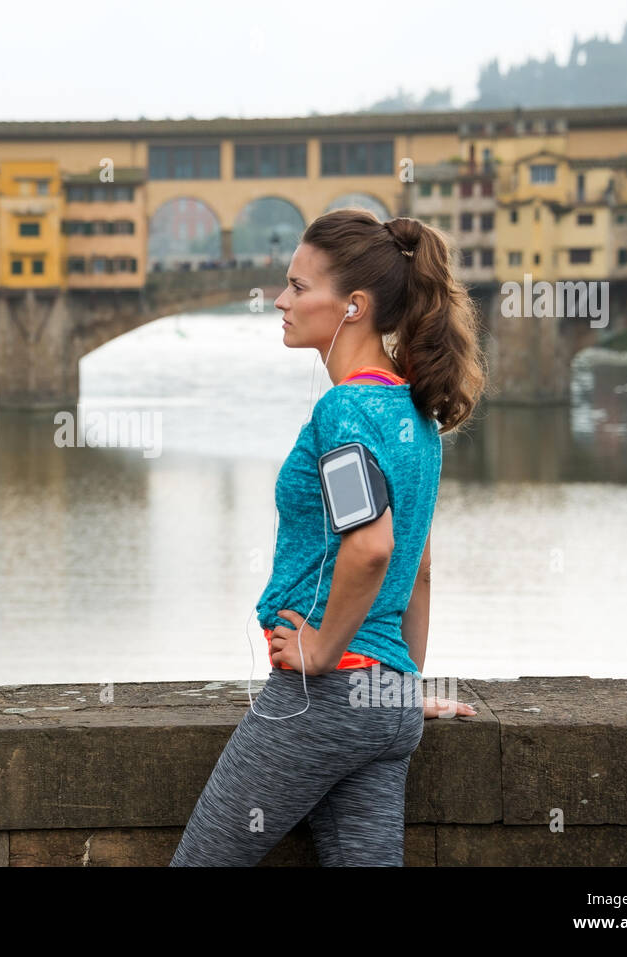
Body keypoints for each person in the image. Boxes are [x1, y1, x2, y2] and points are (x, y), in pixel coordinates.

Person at [169, 208, 486, 867]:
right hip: (383, 701)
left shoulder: (343, 410)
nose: (281, 300)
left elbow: (371, 546)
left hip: (326, 694)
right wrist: (395, 683)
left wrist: (318, 651)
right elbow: (417, 566)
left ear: (353, 306)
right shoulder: (415, 413)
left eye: (299, 286)